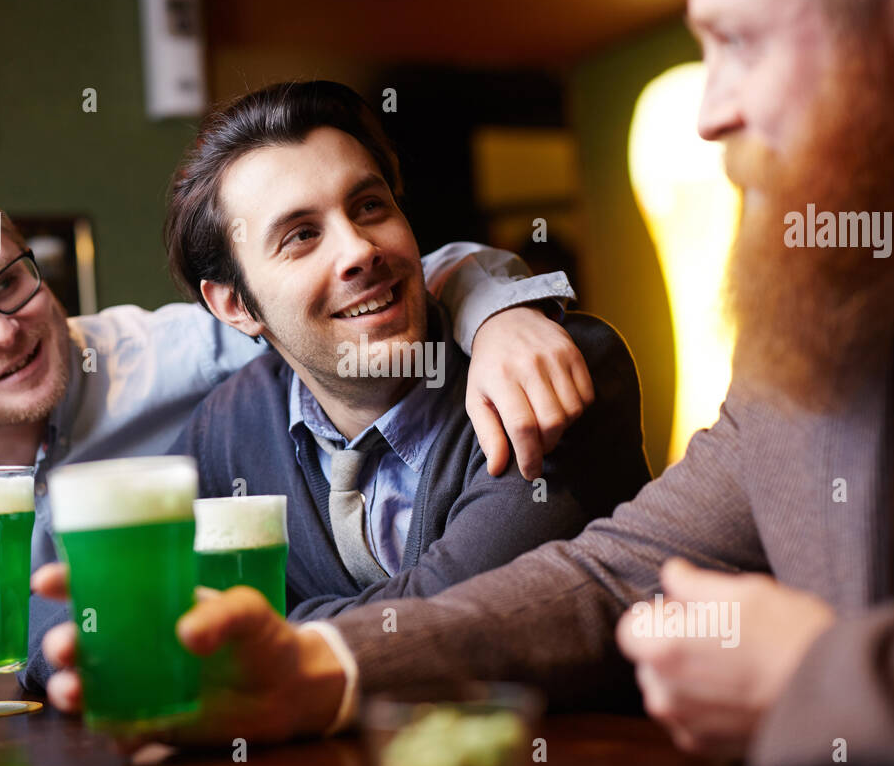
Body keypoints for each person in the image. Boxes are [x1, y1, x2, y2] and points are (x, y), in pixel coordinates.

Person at [37, 0, 894, 766]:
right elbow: (613, 570)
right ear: (232, 304)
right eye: (295, 236)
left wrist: (819, 681)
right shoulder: (821, 338)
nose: (708, 110)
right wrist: (315, 665)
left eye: (735, 43)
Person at [0, 168, 594, 711]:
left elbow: (356, 286)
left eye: (7, 282)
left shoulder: (169, 355)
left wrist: (499, 311)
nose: (3, 332)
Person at [160, 83, 647, 615]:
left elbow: (447, 619)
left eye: (369, 205)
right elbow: (77, 591)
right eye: (301, 235)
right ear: (235, 306)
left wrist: (229, 635)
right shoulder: (233, 423)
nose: (360, 251)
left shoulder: (546, 369)